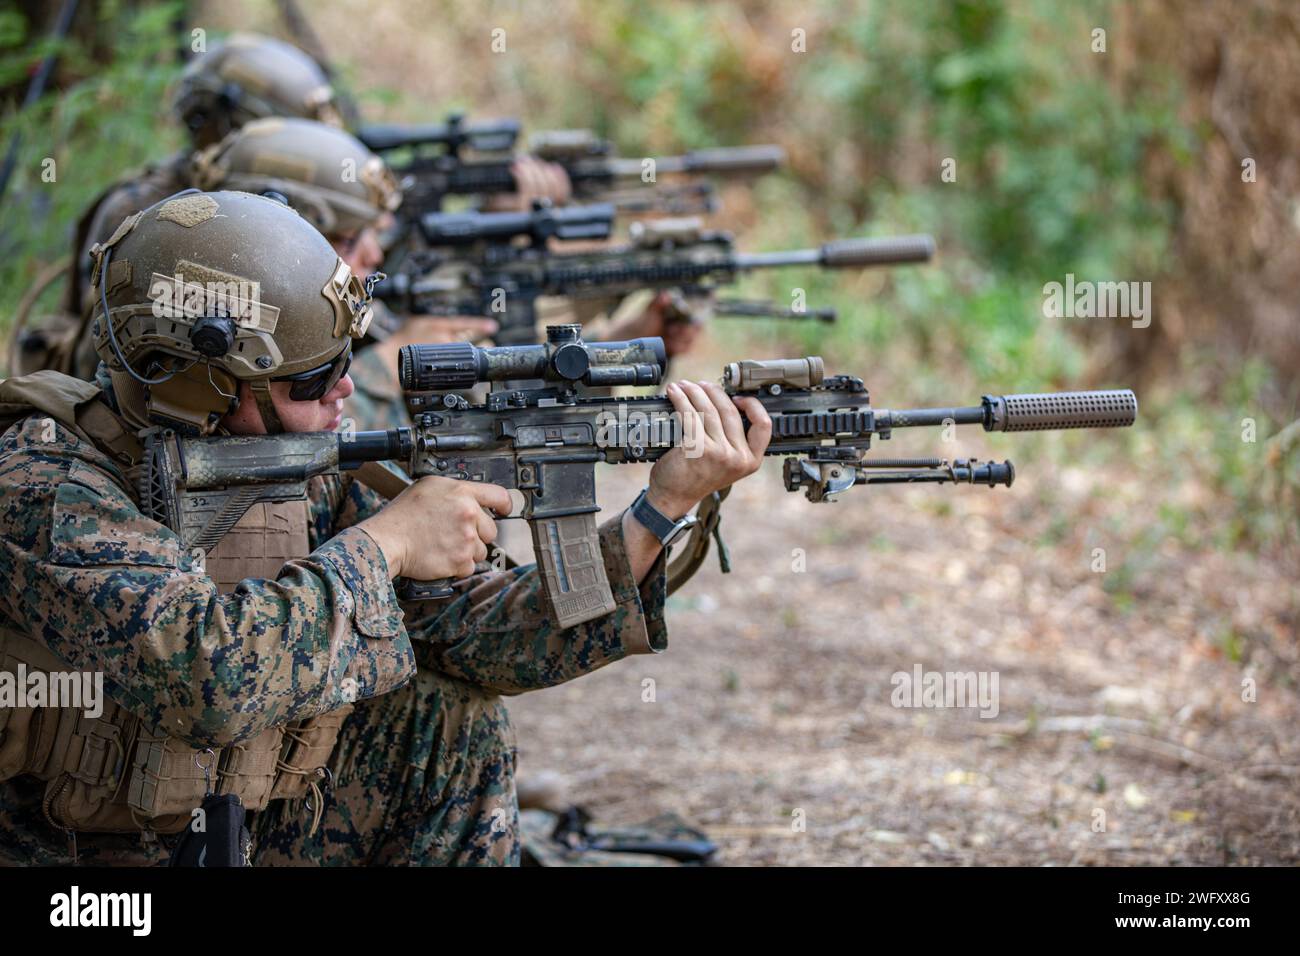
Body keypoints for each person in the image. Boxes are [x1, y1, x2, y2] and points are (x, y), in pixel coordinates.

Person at [0, 190, 772, 865]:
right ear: (200, 377)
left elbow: (472, 642)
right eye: (312, 378)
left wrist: (659, 509)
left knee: (447, 723)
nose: (345, 389)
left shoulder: (280, 457)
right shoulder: (42, 483)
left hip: (238, 830)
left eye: (347, 359)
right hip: (69, 864)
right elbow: (206, 678)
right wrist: (387, 544)